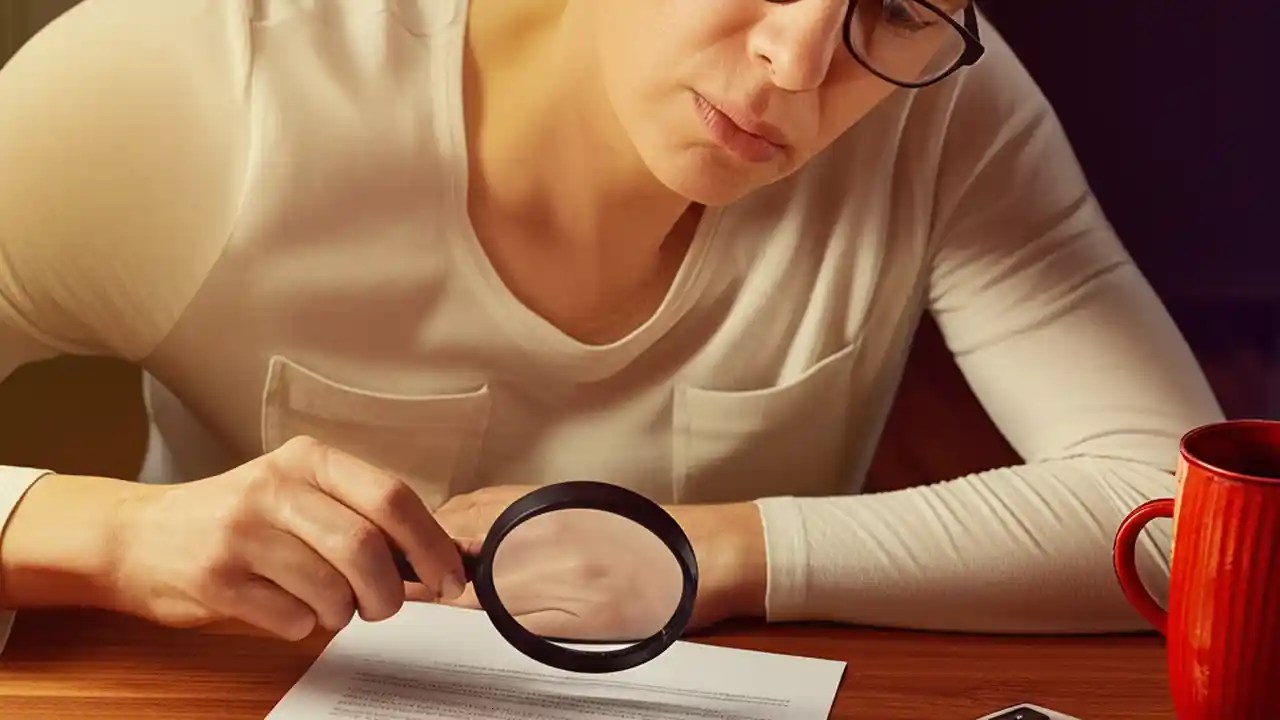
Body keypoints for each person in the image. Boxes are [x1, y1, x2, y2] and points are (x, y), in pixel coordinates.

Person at [0, 0, 1223, 653]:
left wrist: (706, 556)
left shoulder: (942, 106)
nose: (797, 61)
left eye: (895, 3)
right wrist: (115, 536)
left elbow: (1178, 523)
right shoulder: (200, 80)